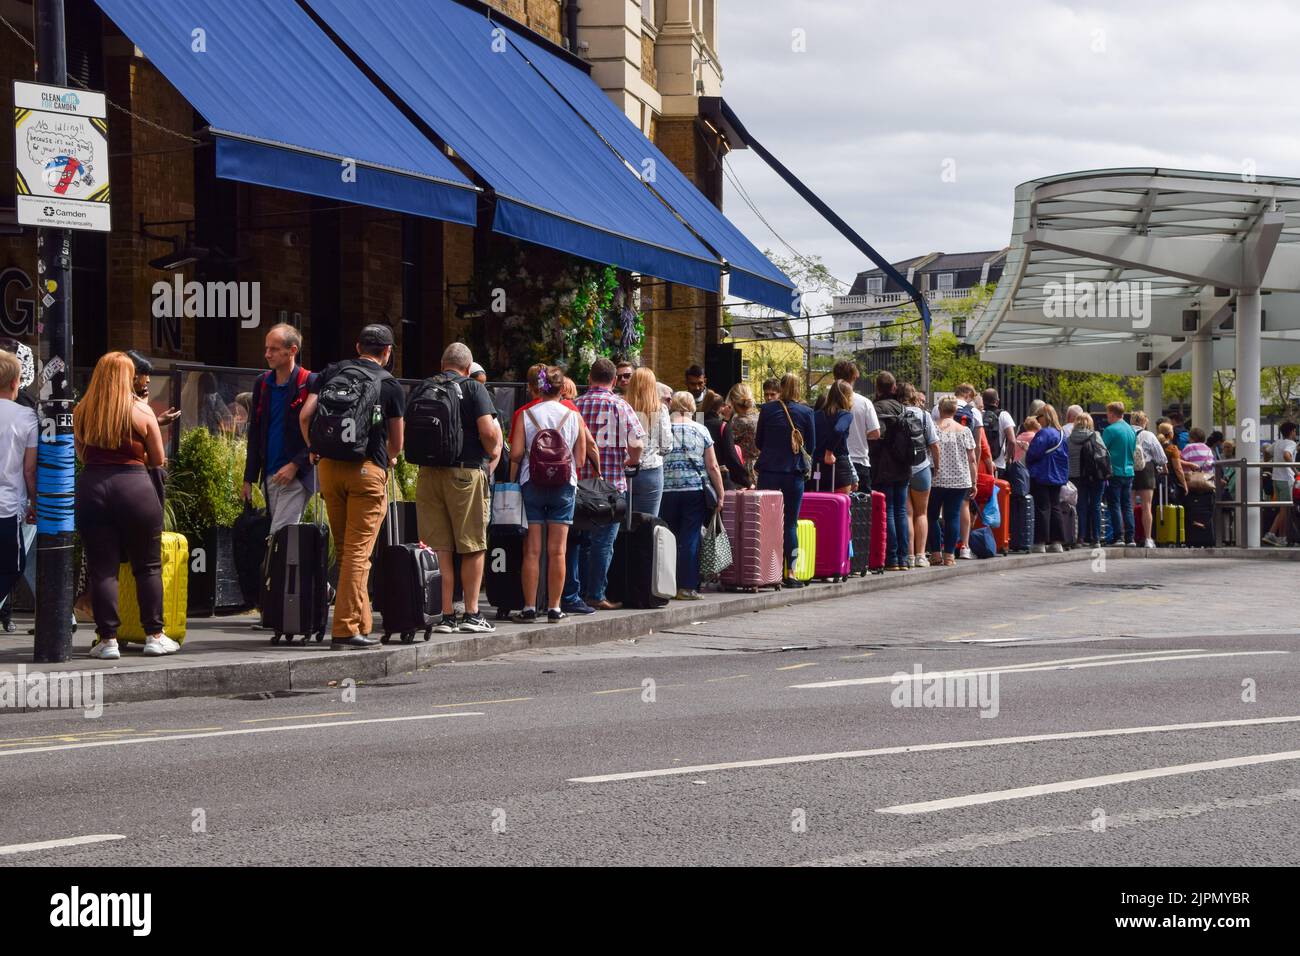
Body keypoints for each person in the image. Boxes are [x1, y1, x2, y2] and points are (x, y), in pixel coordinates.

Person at [300, 324, 406, 648]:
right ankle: (345, 629)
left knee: (348, 551)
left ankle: (362, 622)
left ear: (358, 345)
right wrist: (384, 462)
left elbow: (306, 416)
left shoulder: (331, 372)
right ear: (388, 352)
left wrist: (314, 449)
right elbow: (397, 444)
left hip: (329, 469)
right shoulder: (390, 385)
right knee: (358, 554)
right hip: (366, 471)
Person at [74, 352, 177, 659]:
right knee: (147, 567)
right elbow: (157, 459)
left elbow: (82, 455)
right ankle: (154, 635)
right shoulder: (141, 411)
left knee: (102, 570)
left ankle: (107, 640)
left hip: (93, 487)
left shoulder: (82, 411)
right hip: (134, 488)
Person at [410, 343, 500, 634]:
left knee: (439, 548)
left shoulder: (424, 387)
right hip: (465, 473)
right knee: (472, 545)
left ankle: (445, 615)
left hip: (428, 475)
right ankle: (472, 614)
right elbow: (488, 431)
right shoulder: (474, 389)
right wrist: (490, 453)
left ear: (442, 363)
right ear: (468, 367)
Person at [566, 358, 644, 611]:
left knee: (578, 541)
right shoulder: (620, 405)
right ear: (613, 381)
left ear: (589, 378)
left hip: (579, 484)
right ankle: (596, 593)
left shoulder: (574, 406)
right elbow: (637, 443)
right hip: (609, 489)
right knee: (603, 543)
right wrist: (631, 462)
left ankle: (573, 593)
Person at [509, 365, 584, 622]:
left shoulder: (526, 415)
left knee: (532, 550)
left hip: (532, 482)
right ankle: (554, 607)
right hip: (564, 485)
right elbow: (581, 459)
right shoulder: (573, 416)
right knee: (558, 551)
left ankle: (529, 606)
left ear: (539, 388)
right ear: (562, 388)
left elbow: (516, 454)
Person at [242, 323, 320, 535]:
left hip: (297, 475)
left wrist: (295, 464)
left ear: (292, 350)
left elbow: (319, 435)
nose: (267, 354)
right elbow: (256, 432)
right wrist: (248, 478)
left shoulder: (310, 382)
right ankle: (285, 569)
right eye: (266, 348)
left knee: (279, 536)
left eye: (274, 349)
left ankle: (274, 569)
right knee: (279, 538)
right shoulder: (263, 383)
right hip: (270, 475)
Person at [661, 391, 725, 600]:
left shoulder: (663, 429)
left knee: (668, 537)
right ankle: (686, 586)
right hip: (693, 489)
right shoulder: (701, 430)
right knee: (690, 537)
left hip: (666, 490)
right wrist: (721, 493)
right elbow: (713, 465)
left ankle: (665, 584)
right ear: (692, 407)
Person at [755, 372, 816, 587]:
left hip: (768, 472)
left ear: (780, 388)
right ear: (799, 388)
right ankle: (791, 573)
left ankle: (763, 571)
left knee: (765, 523)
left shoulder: (767, 410)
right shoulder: (807, 412)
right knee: (790, 523)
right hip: (794, 474)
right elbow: (811, 446)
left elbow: (759, 441)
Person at [0, 351, 36, 635]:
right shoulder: (26, 417)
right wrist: (35, 501)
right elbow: (29, 470)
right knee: (14, 565)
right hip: (7, 507)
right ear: (15, 382)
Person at [868, 371, 912, 571]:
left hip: (883, 467)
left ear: (877, 388)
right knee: (901, 510)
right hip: (903, 465)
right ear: (894, 388)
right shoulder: (903, 408)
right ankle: (904, 558)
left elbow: (877, 438)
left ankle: (892, 558)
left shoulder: (876, 408)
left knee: (890, 511)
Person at [926, 397, 978, 567]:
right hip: (959, 480)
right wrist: (974, 482)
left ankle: (935, 554)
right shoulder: (964, 431)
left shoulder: (932, 428)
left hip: (936, 479)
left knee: (932, 516)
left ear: (939, 409)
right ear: (955, 411)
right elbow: (972, 460)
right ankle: (949, 555)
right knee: (953, 516)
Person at [624, 367, 670, 518]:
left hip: (624, 469)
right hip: (651, 470)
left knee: (621, 521)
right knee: (648, 523)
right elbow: (666, 445)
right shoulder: (660, 409)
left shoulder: (622, 405)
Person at [902, 382, 939, 568]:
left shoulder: (898, 413)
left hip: (901, 468)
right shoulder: (924, 415)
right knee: (921, 513)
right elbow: (934, 444)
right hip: (921, 466)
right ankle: (920, 555)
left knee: (907, 513)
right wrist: (936, 467)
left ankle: (908, 555)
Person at [1026, 404, 1069, 552]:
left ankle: (1040, 542)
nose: (1038, 420)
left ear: (1045, 417)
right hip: (1057, 475)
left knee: (1042, 508)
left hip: (1043, 474)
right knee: (1055, 507)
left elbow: (1033, 453)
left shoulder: (1044, 433)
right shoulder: (1062, 434)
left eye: (1039, 417)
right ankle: (1056, 542)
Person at [835, 360, 880, 494]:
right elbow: (875, 433)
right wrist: (860, 434)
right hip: (859, 460)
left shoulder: (825, 401)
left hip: (831, 462)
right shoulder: (864, 402)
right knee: (861, 511)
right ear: (854, 377)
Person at [1100, 401, 1137, 546]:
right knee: (1127, 505)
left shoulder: (1110, 430)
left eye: (1108, 413)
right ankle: (1130, 538)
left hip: (1114, 471)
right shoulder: (1131, 430)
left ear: (1113, 413)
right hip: (1129, 471)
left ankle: (1118, 536)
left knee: (1114, 505)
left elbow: (1102, 450)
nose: (1106, 416)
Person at [1067, 412, 1107, 547]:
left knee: (1081, 507)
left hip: (1076, 477)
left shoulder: (1070, 439)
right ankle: (1096, 538)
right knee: (1095, 505)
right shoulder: (1096, 436)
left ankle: (1080, 538)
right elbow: (1104, 455)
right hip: (1095, 476)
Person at [1131, 411, 1168, 549]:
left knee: (1130, 506)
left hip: (1128, 470)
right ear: (1144, 422)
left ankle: (1130, 537)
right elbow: (1161, 457)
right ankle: (1148, 539)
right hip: (1146, 471)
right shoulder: (1149, 435)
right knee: (1147, 507)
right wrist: (1165, 469)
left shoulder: (1126, 434)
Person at [812, 381, 856, 493]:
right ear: (846, 397)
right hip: (839, 466)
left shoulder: (816, 415)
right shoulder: (845, 415)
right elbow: (839, 429)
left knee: (818, 505)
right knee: (840, 507)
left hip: (818, 465)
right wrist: (829, 452)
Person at [701, 389, 750, 490]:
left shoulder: (698, 422)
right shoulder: (723, 426)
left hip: (699, 479)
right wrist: (746, 481)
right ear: (721, 408)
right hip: (720, 478)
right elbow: (731, 456)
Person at [125, 350, 181, 428]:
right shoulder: (122, 403)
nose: (148, 380)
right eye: (145, 374)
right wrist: (143, 407)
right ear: (133, 374)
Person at [1264, 421, 1297, 547]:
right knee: (1284, 509)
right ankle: (1271, 533)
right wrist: (1296, 470)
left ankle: (1282, 538)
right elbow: (1287, 455)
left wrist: (1266, 465)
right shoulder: (1291, 443)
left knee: (1284, 509)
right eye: (1294, 431)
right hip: (1286, 479)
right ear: (1291, 431)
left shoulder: (1277, 443)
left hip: (1276, 479)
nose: (1295, 433)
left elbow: (1266, 451)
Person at [726, 383, 759, 488]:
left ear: (732, 401)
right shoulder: (759, 417)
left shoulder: (737, 422)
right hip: (760, 467)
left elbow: (726, 445)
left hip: (743, 469)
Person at [984, 388, 1018, 482]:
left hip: (982, 463)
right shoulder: (1004, 415)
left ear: (983, 401)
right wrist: (1007, 458)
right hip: (998, 464)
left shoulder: (978, 414)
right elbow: (1012, 440)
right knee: (998, 492)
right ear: (997, 401)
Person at [1157, 422, 1188, 500]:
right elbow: (1178, 469)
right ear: (1170, 434)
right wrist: (1184, 484)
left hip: (1157, 482)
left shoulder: (1156, 446)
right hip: (1170, 482)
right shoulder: (1172, 449)